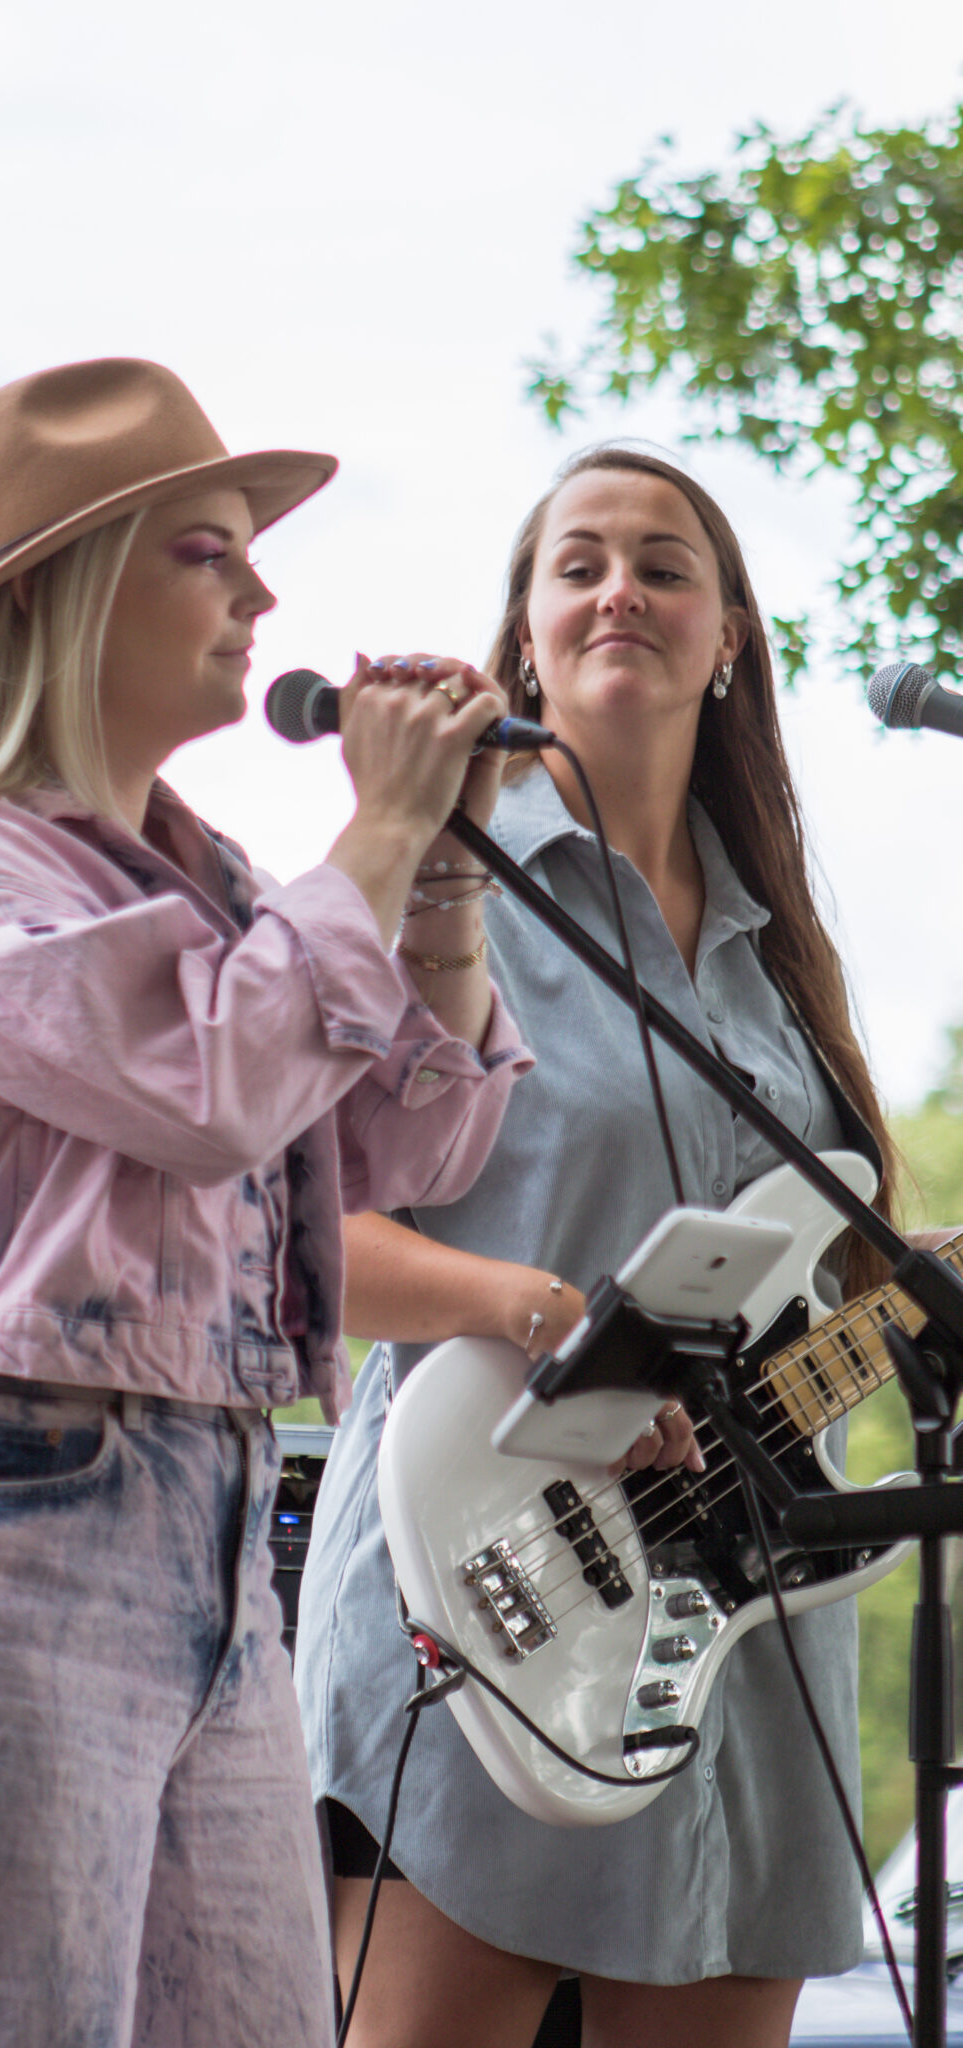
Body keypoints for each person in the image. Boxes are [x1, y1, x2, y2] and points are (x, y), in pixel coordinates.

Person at [0, 357, 534, 2048]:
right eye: (207, 552)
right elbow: (211, 1090)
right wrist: (379, 828)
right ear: (63, 593)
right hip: (9, 1524)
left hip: (224, 1528)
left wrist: (442, 865)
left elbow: (406, 1156)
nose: (262, 595)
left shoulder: (229, 888)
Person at [294, 445, 901, 2048]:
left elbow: (820, 1290)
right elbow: (293, 1232)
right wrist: (546, 1311)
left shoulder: (780, 964)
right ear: (526, 636)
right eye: (575, 565)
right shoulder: (446, 882)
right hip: (483, 1584)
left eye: (662, 563)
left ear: (731, 639)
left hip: (745, 1600)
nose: (617, 588)